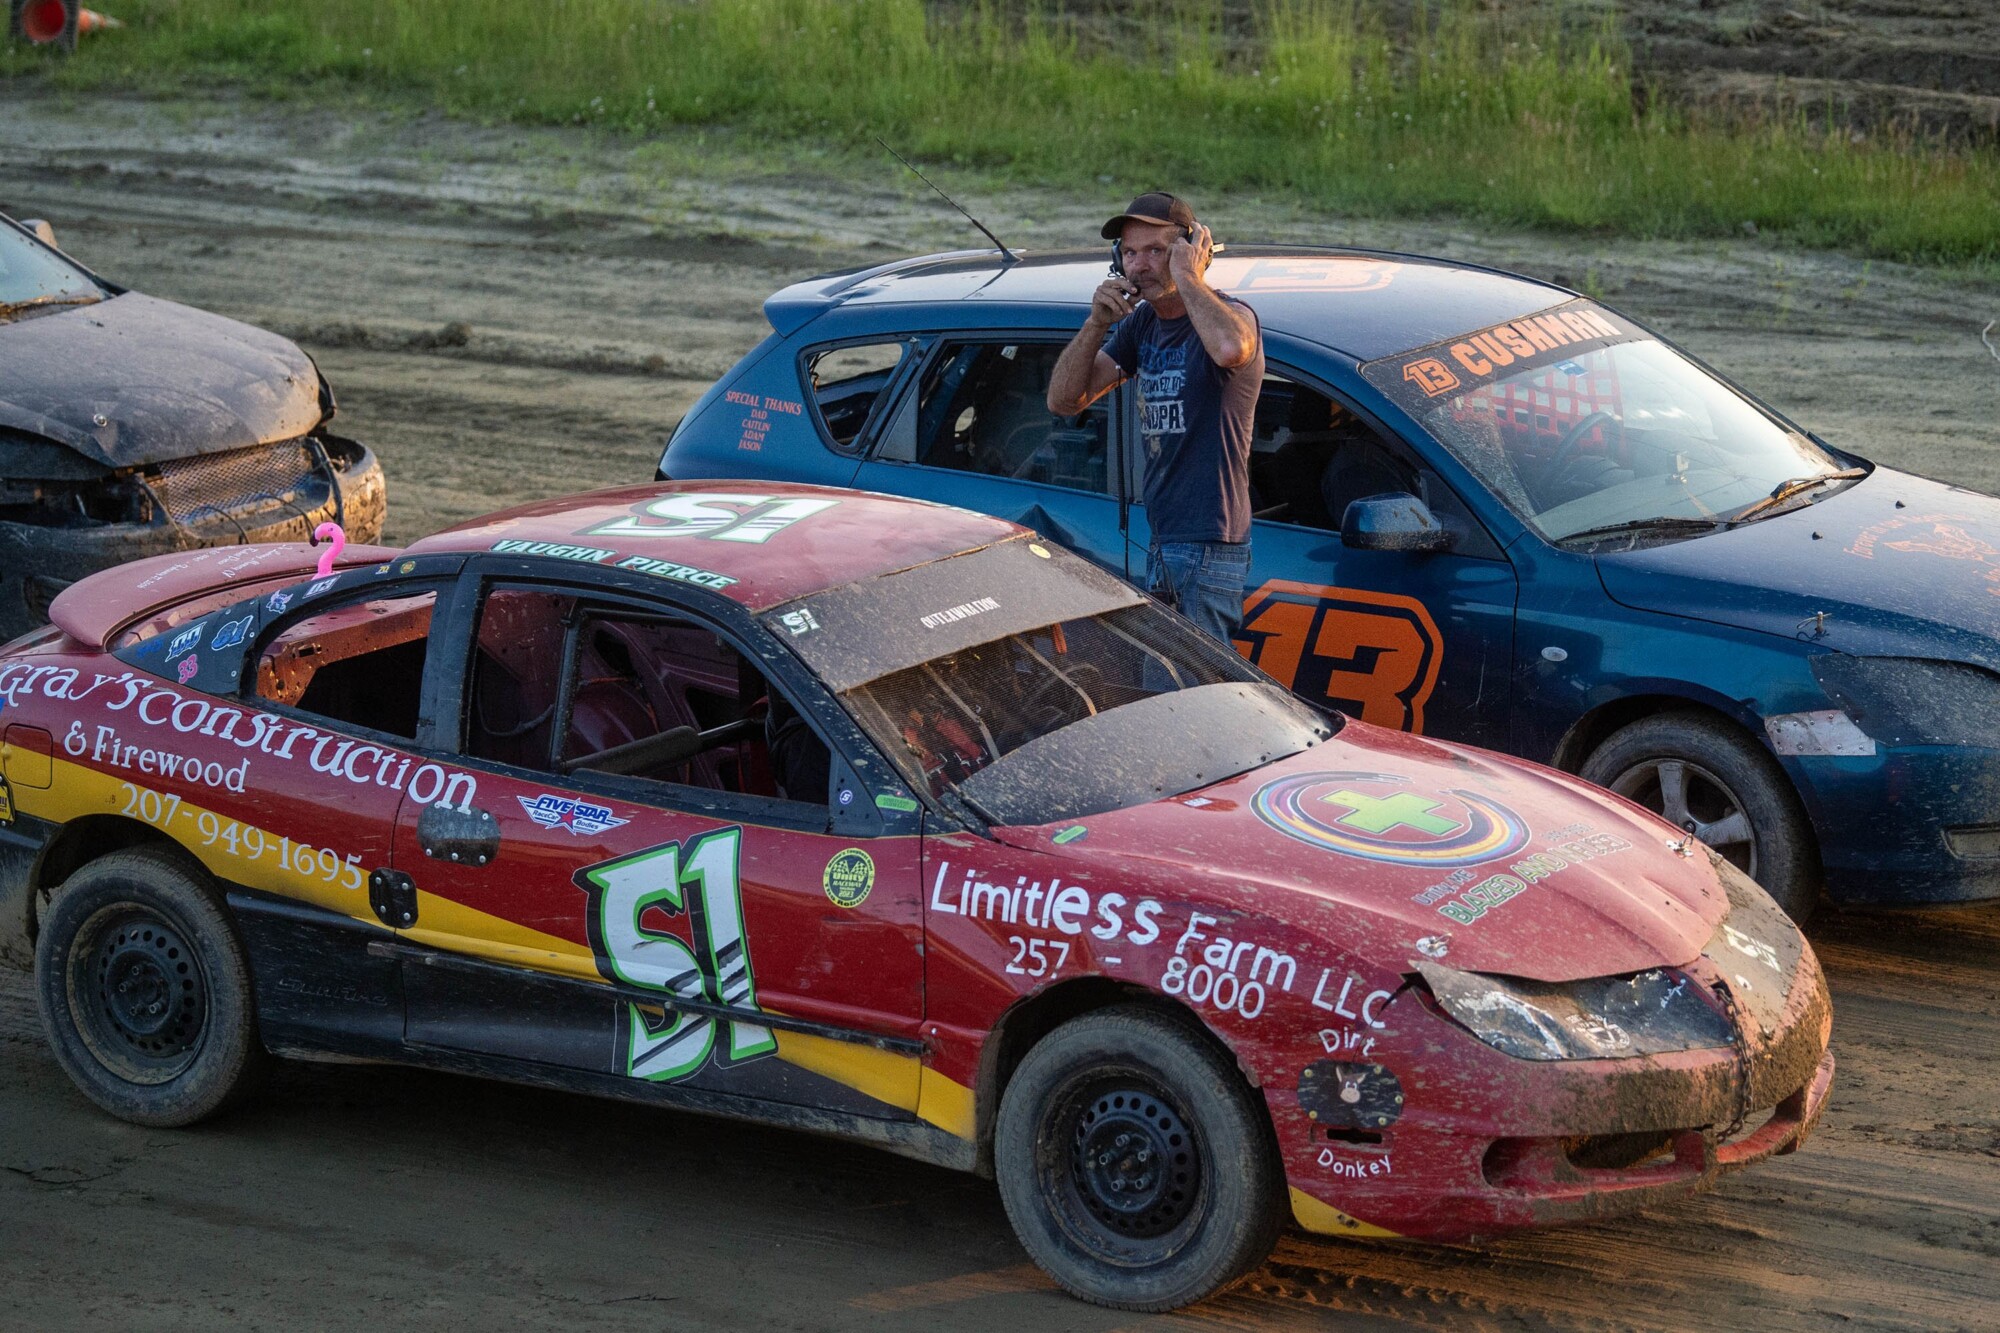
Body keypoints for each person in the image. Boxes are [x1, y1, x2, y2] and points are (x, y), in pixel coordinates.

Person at [1047, 191, 1264, 643]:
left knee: (1186, 684)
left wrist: (1188, 278)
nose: (1140, 266)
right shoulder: (1142, 325)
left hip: (1208, 544)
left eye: (1155, 251)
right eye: (1129, 253)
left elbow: (1231, 349)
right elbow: (1065, 401)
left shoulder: (1233, 316)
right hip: (1166, 541)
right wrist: (1096, 323)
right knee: (1169, 679)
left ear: (1192, 252)